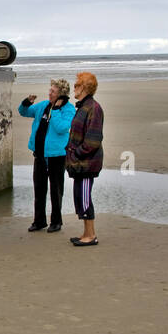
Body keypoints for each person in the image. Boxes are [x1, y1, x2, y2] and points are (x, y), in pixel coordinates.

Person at [18, 78, 76, 232]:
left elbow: (62, 128)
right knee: (39, 189)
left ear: (61, 95)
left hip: (56, 156)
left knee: (56, 190)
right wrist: (27, 102)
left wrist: (56, 111)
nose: (49, 93)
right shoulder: (43, 105)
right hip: (39, 155)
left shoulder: (69, 109)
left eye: (53, 91)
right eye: (50, 90)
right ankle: (39, 221)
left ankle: (56, 222)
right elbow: (24, 112)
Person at [65, 72, 104, 247]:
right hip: (79, 163)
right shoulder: (82, 107)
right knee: (80, 197)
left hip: (87, 163)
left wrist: (76, 153)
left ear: (85, 87)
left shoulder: (93, 108)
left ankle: (91, 235)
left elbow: (93, 141)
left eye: (77, 85)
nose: (74, 88)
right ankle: (87, 233)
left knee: (85, 198)